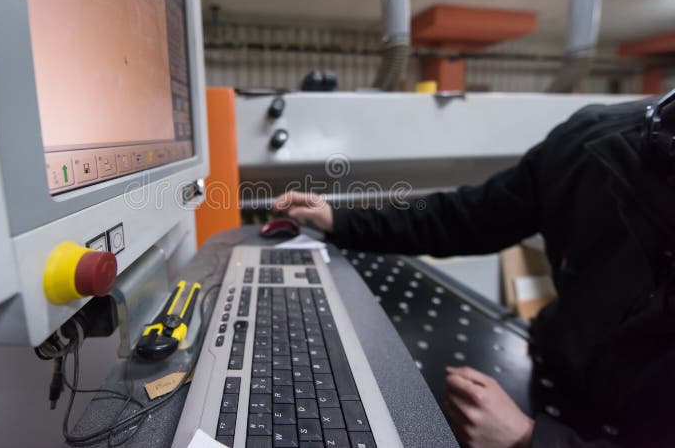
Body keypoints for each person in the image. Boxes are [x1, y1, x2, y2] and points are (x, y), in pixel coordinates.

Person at [272, 93, 675, 447]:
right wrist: (341, 221)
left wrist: (527, 440)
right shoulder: (593, 144)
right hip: (560, 366)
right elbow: (469, 216)